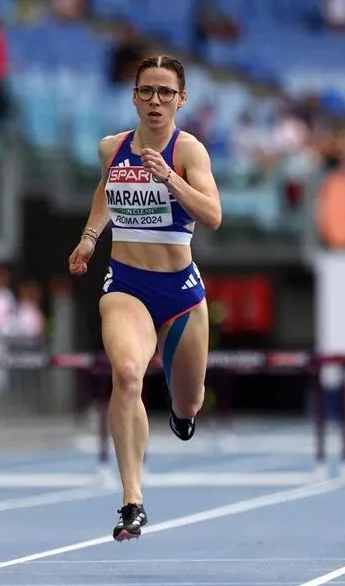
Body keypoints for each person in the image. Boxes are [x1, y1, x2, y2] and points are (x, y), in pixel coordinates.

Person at [67, 55, 222, 541]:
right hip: (127, 285)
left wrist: (169, 179)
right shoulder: (111, 147)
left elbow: (214, 215)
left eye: (166, 93)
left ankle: (182, 414)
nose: (156, 101)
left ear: (182, 99)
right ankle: (132, 500)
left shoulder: (189, 150)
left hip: (179, 292)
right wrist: (91, 236)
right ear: (134, 96)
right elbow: (105, 190)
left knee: (189, 400)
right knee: (128, 374)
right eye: (147, 91)